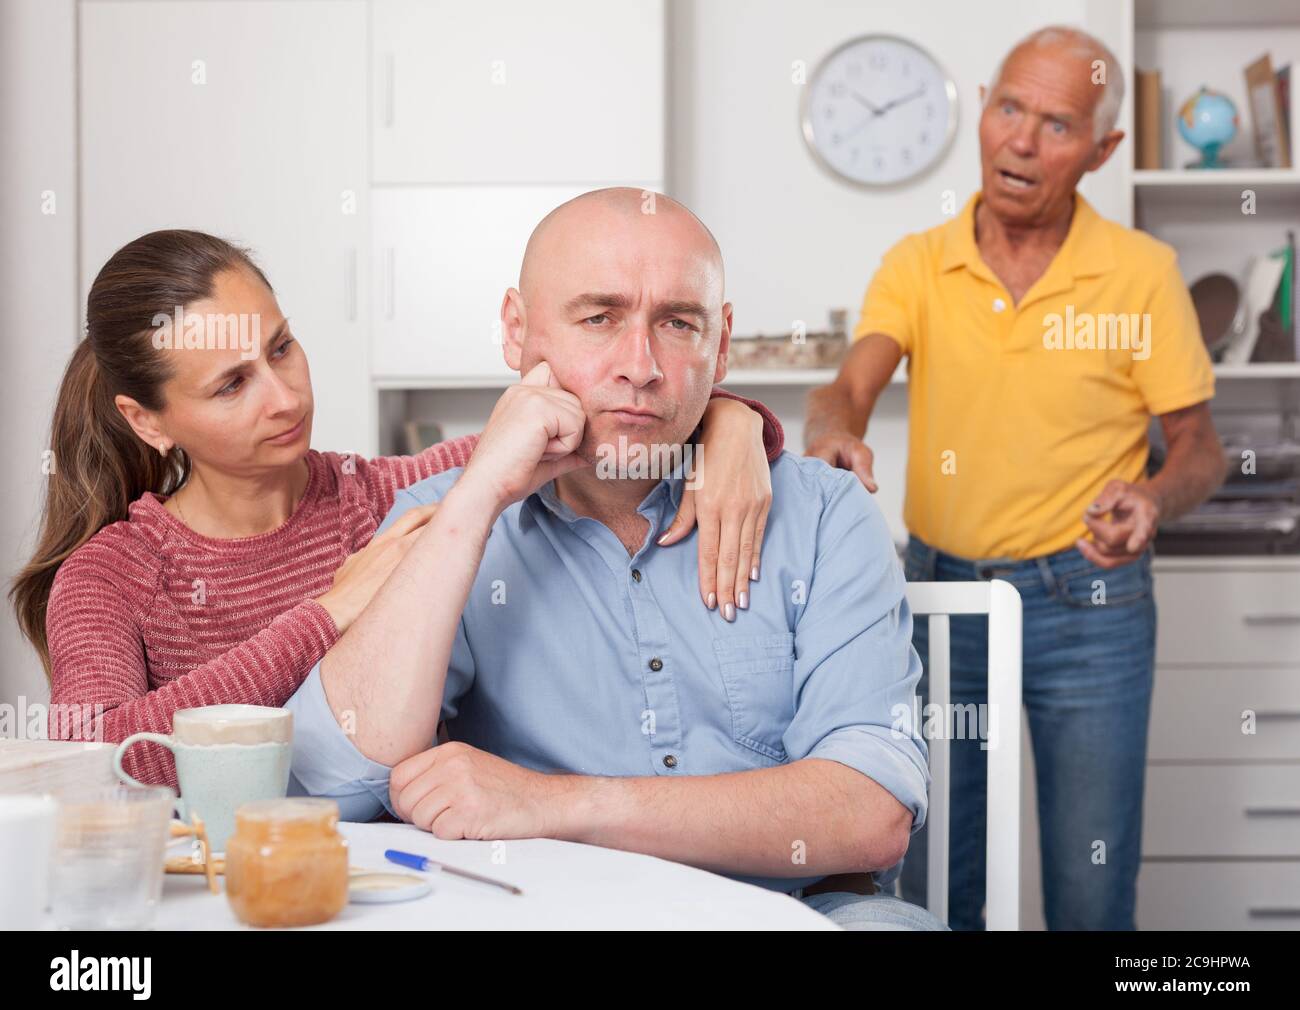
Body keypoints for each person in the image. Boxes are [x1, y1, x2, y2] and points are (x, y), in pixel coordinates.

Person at [287, 187, 948, 931]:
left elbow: (871, 811)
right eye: (599, 317)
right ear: (516, 329)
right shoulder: (449, 512)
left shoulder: (825, 514)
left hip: (797, 912)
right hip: (545, 915)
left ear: (721, 344)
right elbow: (329, 787)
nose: (641, 366)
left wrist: (555, 802)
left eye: (677, 323)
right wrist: (473, 509)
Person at [11, 229, 785, 789]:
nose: (285, 398)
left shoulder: (387, 497)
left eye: (282, 349)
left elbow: (587, 423)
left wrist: (732, 421)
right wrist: (326, 614)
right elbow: (93, 759)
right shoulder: (111, 574)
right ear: (145, 419)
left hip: (402, 883)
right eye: (231, 384)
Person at [803, 26, 1227, 929]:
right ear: (986, 110)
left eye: (1058, 124)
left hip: (1092, 606)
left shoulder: (1143, 275)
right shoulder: (919, 262)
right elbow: (849, 385)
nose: (1021, 142)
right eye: (1008, 109)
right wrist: (834, 434)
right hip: (941, 597)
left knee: (1089, 880)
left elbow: (1200, 446)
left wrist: (1153, 497)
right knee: (935, 877)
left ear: (1104, 149)